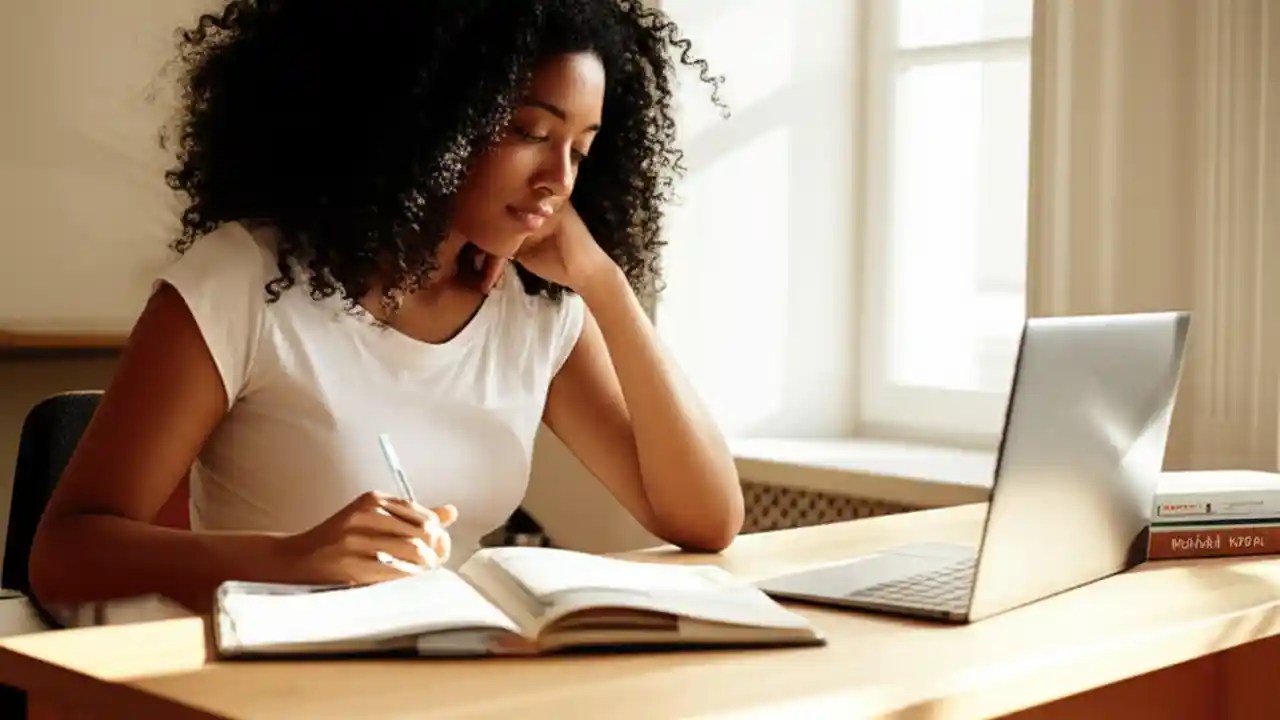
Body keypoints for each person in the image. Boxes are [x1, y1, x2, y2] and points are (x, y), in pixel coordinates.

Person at [28, 0, 742, 612]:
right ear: (430, 114)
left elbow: (707, 520)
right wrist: (293, 559)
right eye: (529, 132)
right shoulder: (242, 282)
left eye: (581, 150)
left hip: (445, 683)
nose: (557, 179)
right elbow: (64, 554)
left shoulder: (537, 310)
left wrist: (605, 285)